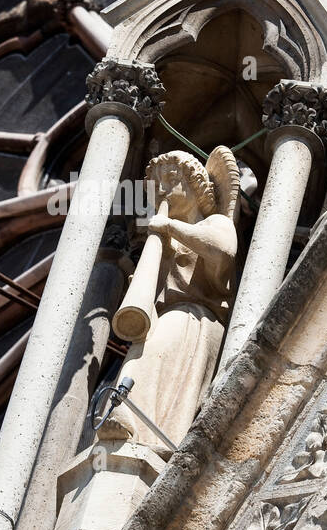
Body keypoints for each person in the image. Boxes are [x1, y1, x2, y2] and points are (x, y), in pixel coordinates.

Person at [98, 146, 240, 454]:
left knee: (155, 353)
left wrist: (170, 227)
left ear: (196, 186)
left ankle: (143, 426)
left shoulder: (214, 223)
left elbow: (223, 250)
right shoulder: (161, 239)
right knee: (142, 353)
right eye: (157, 184)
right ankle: (125, 415)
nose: (162, 188)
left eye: (171, 178)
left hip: (193, 316)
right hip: (163, 314)